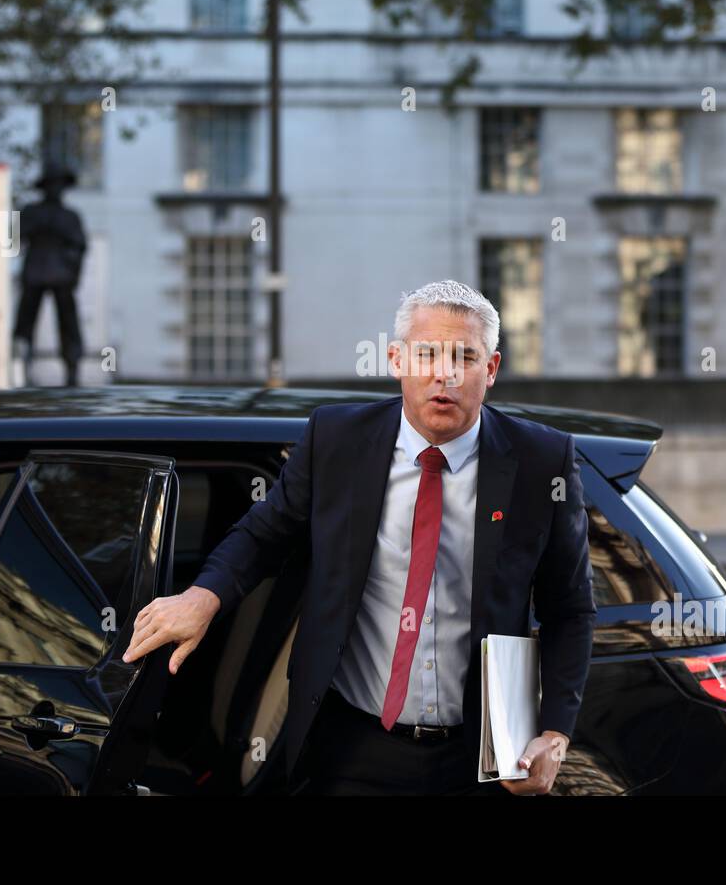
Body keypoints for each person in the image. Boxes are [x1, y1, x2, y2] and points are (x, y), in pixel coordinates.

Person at [123, 279, 595, 795]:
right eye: (427, 354)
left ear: (492, 369)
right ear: (395, 359)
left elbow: (569, 608)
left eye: (465, 356)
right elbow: (265, 534)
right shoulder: (337, 440)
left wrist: (554, 732)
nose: (445, 373)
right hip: (351, 744)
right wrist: (201, 597)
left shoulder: (540, 461)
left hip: (480, 756)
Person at [12, 162, 87, 386]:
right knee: (25, 323)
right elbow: (15, 237)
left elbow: (80, 246)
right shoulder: (31, 212)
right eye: (52, 185)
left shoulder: (70, 216)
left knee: (69, 323)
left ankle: (72, 369)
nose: (56, 190)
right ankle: (20, 367)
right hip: (35, 273)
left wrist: (73, 269)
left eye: (59, 185)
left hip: (61, 275)